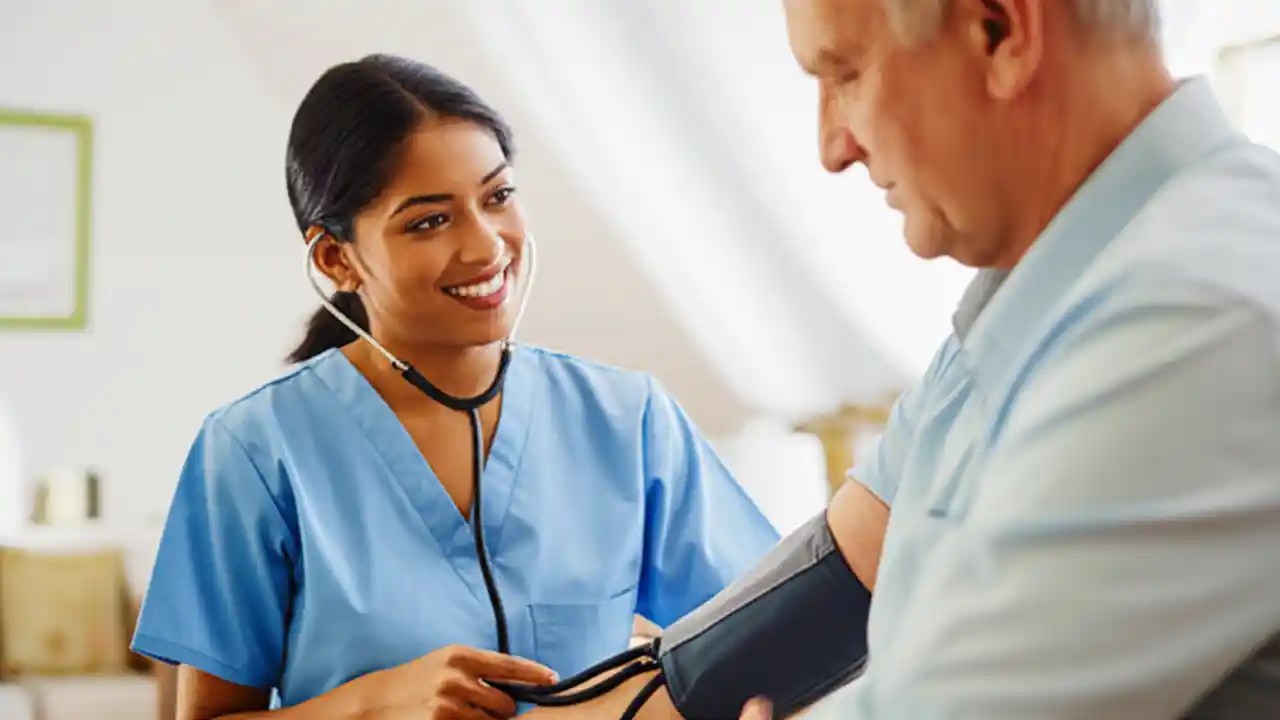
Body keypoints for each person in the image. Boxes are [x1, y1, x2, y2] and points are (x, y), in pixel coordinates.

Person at [487, 0, 1280, 718]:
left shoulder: (1201, 312)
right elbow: (840, 571)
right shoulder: (1024, 306)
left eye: (846, 73)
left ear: (999, 31)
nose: (832, 146)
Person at [130, 53, 779, 719]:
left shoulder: (628, 420)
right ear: (335, 258)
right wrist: (378, 702)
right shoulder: (253, 451)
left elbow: (773, 646)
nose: (486, 247)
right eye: (429, 221)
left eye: (497, 197)